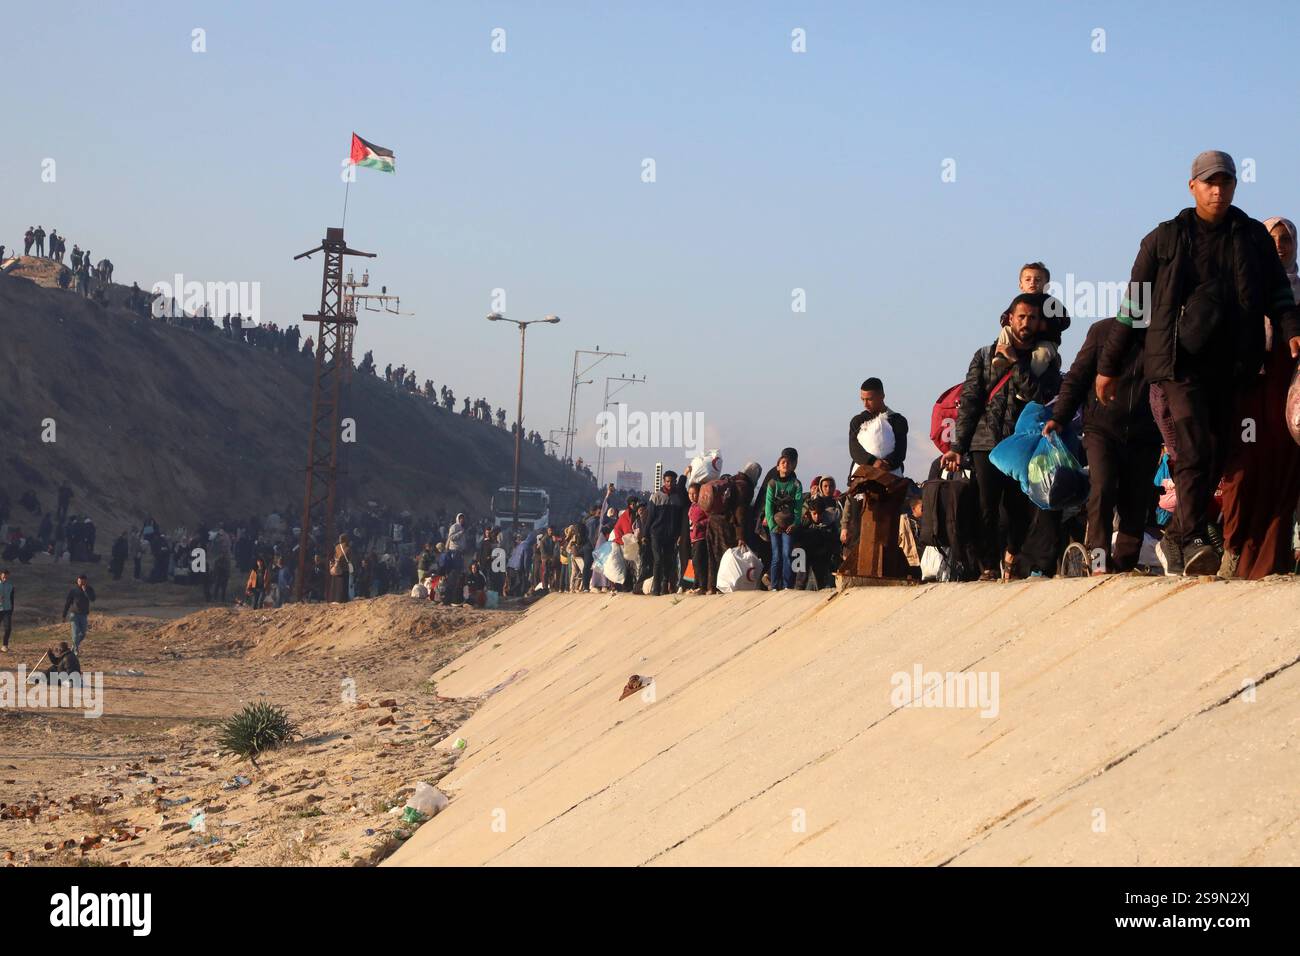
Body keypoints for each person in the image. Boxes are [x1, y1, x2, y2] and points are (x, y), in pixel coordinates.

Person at [1097, 151, 1300, 576]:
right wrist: (1109, 365)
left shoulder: (1251, 237)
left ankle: (1174, 538)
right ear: (1193, 187)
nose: (1218, 190)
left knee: (1221, 454)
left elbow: (1279, 293)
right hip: (1177, 365)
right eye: (1210, 182)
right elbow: (1135, 307)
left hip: (1232, 367)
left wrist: (1291, 330)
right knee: (1193, 448)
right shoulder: (1165, 239)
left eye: (1225, 182)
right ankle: (1190, 542)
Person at [943, 294, 1062, 580]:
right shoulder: (984, 355)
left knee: (1020, 508)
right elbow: (970, 400)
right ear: (1009, 318)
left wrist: (1014, 364)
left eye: (1032, 318)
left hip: (1022, 444)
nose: (1025, 323)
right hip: (985, 442)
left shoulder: (1045, 360)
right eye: (1020, 317)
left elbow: (1039, 396)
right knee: (987, 506)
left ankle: (1011, 553)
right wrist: (958, 447)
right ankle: (987, 566)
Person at [1217, 216, 1300, 579]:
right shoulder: (1241, 286)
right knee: (1245, 471)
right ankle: (1234, 551)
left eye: (1287, 240)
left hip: (1288, 398)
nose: (1280, 246)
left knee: (1284, 474)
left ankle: (1273, 561)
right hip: (1249, 393)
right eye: (1273, 239)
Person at [1047, 315, 1160, 574]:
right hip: (1101, 428)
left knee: (1136, 498)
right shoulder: (1102, 331)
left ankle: (1125, 564)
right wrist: (1059, 417)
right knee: (1102, 488)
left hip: (1146, 433)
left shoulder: (1163, 334)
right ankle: (1098, 560)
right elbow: (1077, 377)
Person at [705, 463, 762, 594]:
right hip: (725, 526)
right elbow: (740, 513)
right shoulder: (745, 486)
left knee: (713, 557)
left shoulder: (732, 480)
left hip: (713, 521)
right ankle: (724, 587)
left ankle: (711, 587)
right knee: (726, 557)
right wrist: (741, 537)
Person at [848, 378, 909, 476]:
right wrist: (873, 462)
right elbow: (854, 449)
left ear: (882, 396)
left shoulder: (898, 420)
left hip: (892, 475)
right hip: (862, 475)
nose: (865, 404)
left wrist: (886, 464)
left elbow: (900, 451)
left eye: (869, 399)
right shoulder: (857, 421)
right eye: (863, 399)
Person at [764, 454, 803, 591]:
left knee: (787, 554)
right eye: (783, 462)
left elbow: (798, 507)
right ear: (778, 466)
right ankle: (774, 585)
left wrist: (795, 523)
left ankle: (788, 586)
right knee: (776, 555)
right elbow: (768, 507)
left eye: (788, 462)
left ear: (792, 467)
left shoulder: (796, 484)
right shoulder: (772, 484)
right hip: (775, 525)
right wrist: (772, 525)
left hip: (789, 524)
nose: (785, 464)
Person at [644, 470, 687, 595]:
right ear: (664, 481)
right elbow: (650, 518)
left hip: (671, 535)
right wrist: (645, 535)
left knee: (669, 561)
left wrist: (679, 534)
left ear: (675, 482)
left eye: (672, 481)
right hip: (656, 533)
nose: (670, 484)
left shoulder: (677, 498)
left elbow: (680, 519)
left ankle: (665, 585)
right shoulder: (656, 496)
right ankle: (656, 588)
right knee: (658, 560)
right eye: (667, 481)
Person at [61, 574, 96, 653]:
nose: (80, 583)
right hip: (74, 614)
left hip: (84, 615)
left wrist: (85, 591)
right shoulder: (73, 591)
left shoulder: (89, 589)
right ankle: (75, 650)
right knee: (75, 633)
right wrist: (64, 615)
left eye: (82, 581)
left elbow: (92, 599)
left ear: (85, 581)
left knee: (83, 633)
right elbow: (68, 603)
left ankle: (74, 646)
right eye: (79, 581)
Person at [687, 483, 709, 595]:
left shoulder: (702, 505)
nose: (691, 496)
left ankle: (702, 586)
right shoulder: (692, 506)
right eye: (689, 493)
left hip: (701, 538)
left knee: (699, 562)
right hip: (693, 539)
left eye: (694, 493)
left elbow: (710, 518)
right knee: (694, 563)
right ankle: (695, 584)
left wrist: (701, 524)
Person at [330, 535, 354, 603]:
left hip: (337, 567)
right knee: (343, 585)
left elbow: (334, 556)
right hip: (344, 569)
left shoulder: (337, 547)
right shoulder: (348, 548)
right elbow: (350, 559)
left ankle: (334, 598)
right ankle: (342, 599)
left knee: (335, 584)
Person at [0, 568, 14, 652]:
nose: (5, 577)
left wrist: (12, 609)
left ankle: (5, 645)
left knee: (8, 628)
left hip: (7, 610)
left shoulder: (10, 586)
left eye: (6, 576)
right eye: (3, 575)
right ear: (0, 575)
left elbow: (12, 599)